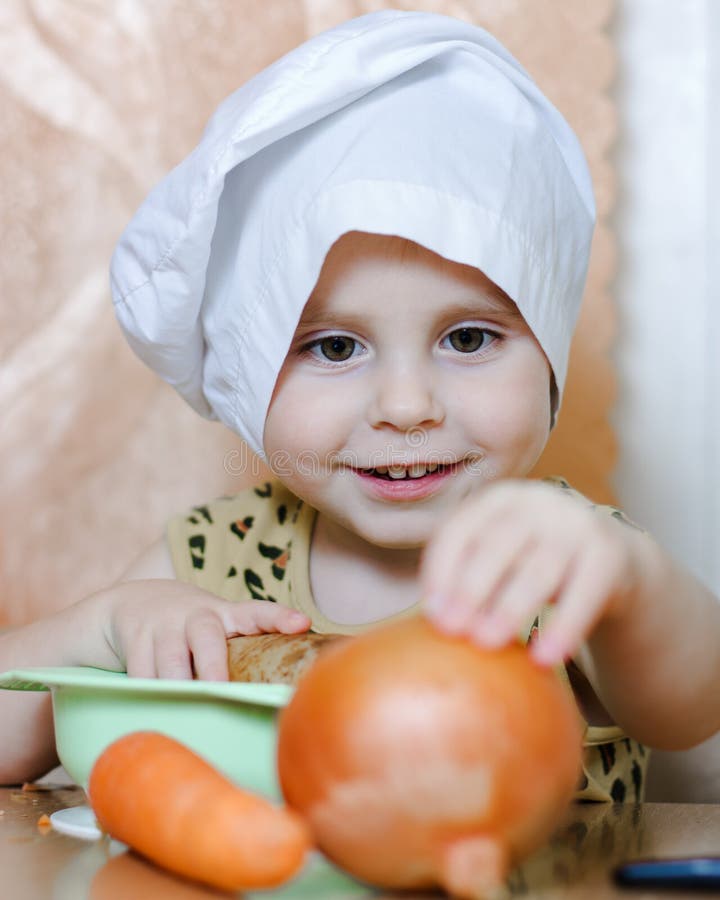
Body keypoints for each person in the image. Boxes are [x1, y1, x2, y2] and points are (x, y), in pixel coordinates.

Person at [1, 11, 718, 799]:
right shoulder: (215, 564)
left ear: (547, 349)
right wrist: (96, 627)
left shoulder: (558, 561)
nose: (407, 407)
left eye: (470, 339)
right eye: (335, 348)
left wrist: (632, 581)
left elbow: (692, 711)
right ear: (246, 378)